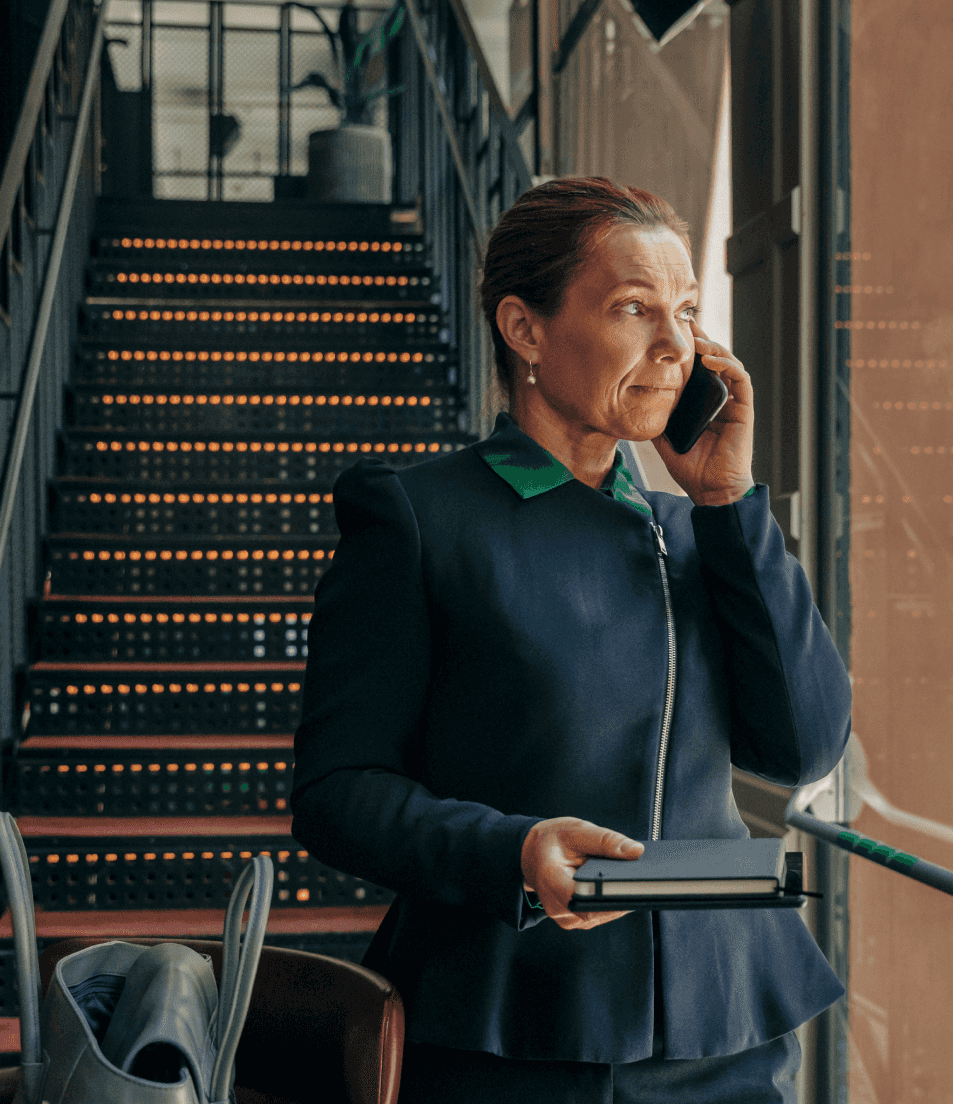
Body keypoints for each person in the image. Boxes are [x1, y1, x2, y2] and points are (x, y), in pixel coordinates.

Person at [290, 176, 851, 1104]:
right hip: (512, 1029)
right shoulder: (420, 520)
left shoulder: (699, 530)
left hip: (723, 1033)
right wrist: (510, 849)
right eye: (635, 309)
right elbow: (336, 793)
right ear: (526, 329)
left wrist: (728, 505)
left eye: (687, 312)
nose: (677, 346)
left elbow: (802, 745)